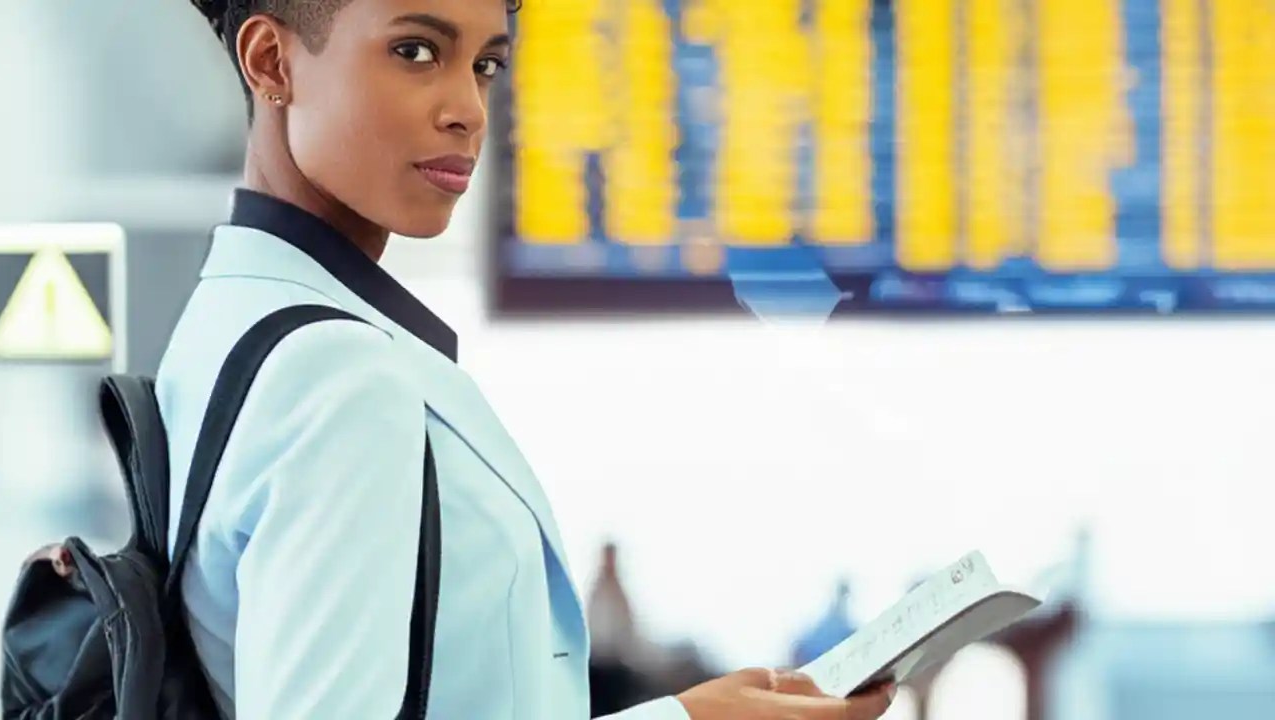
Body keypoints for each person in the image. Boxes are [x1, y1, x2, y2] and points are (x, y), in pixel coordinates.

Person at [160, 0, 897, 718]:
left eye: (485, 65)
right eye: (416, 51)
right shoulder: (339, 377)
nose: (469, 110)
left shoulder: (222, 324)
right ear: (270, 62)